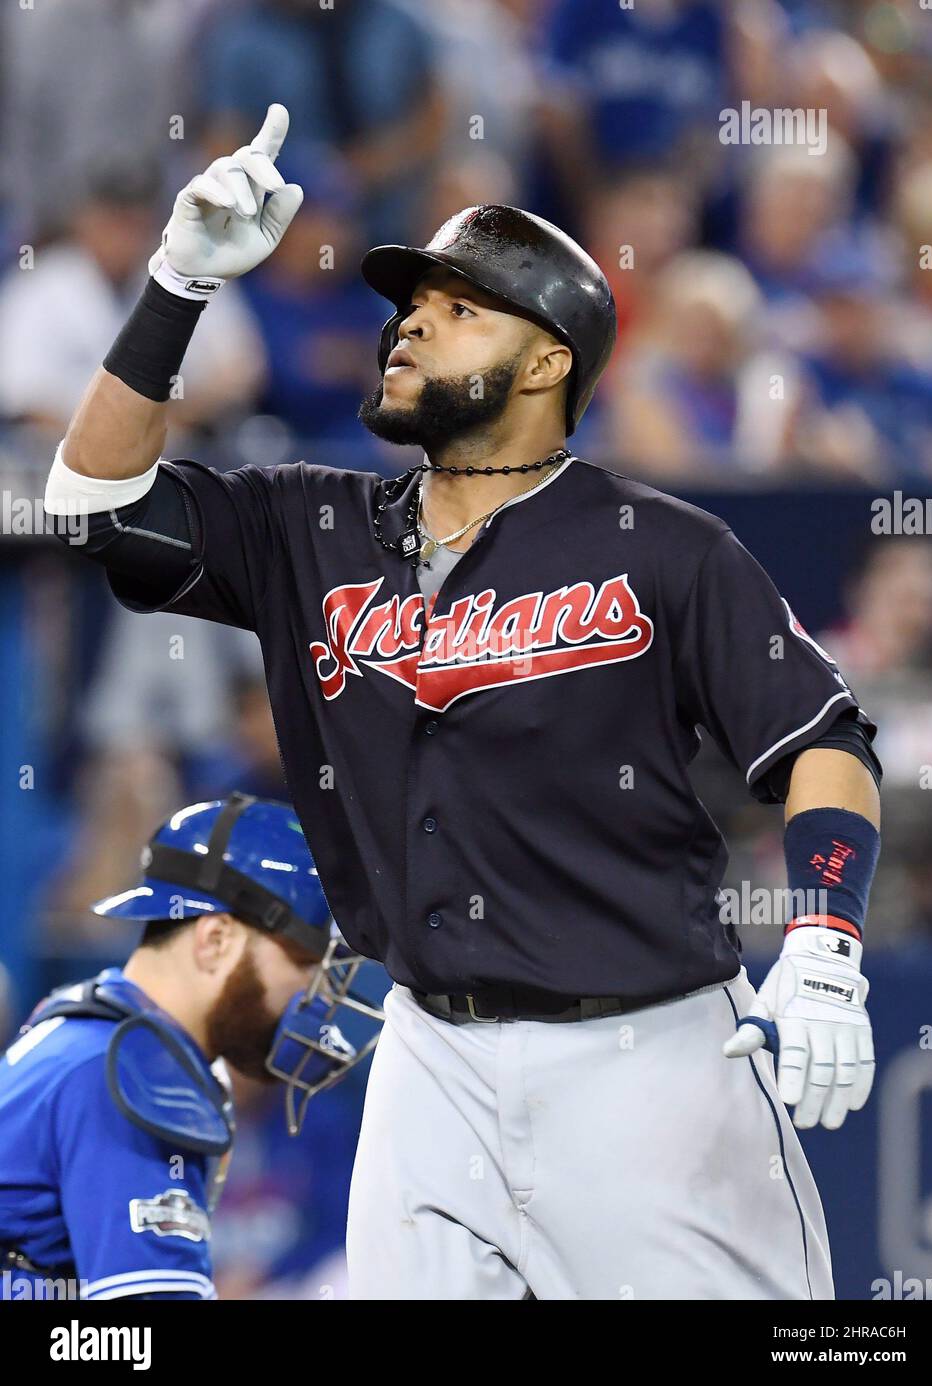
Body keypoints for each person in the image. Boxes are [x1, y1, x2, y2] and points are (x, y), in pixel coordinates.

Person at [45, 106, 883, 1300]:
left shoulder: (663, 546)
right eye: (408, 308)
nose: (410, 327)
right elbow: (93, 505)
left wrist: (824, 938)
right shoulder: (309, 523)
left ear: (547, 361)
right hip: (427, 1055)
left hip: (647, 1057)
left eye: (457, 310)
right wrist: (177, 282)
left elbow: (821, 740)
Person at [0, 793, 377, 1301]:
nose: (315, 994)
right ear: (215, 941)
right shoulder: (131, 1074)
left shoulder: (91, 1033)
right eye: (304, 963)